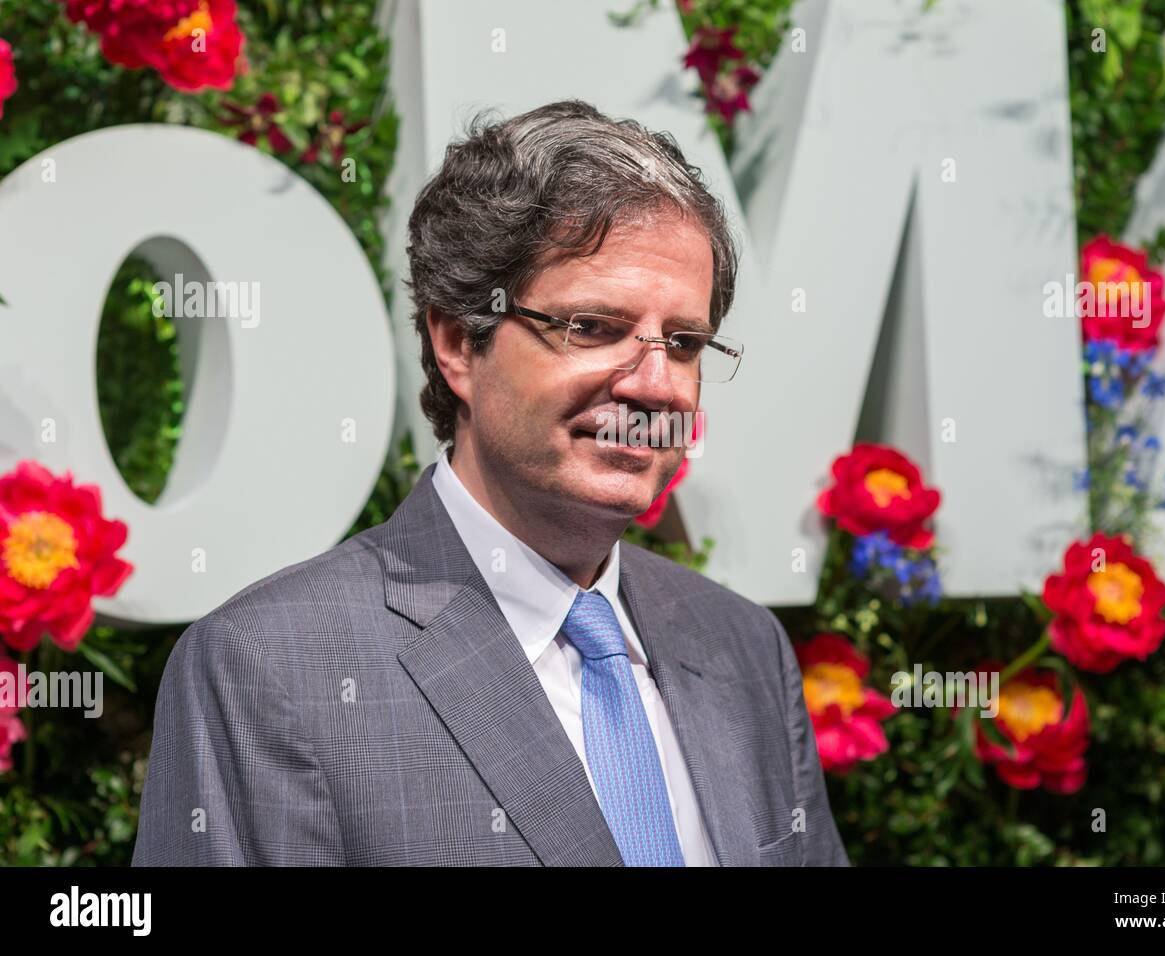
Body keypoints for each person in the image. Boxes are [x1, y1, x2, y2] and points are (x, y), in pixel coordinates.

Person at [132, 99, 849, 867]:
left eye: (683, 342)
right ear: (457, 344)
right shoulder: (268, 670)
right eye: (592, 327)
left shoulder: (744, 648)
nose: (655, 384)